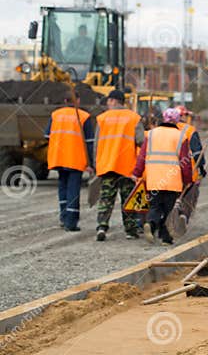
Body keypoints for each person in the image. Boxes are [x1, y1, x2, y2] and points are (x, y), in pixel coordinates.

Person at [132, 108, 193, 245]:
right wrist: (188, 179)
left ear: (164, 119)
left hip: (154, 178)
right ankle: (166, 238)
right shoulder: (181, 137)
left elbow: (142, 156)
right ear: (177, 120)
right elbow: (185, 162)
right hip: (172, 180)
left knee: (155, 206)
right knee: (169, 209)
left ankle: (151, 224)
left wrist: (136, 172)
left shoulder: (151, 134)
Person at [94, 89, 144, 241]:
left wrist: (96, 163)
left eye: (108, 100)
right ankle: (130, 230)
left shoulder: (102, 119)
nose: (107, 103)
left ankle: (102, 227)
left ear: (113, 101)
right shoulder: (134, 118)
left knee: (106, 198)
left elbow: (96, 145)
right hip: (127, 167)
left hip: (107, 165)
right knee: (127, 199)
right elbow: (141, 141)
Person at [45, 90, 94, 232]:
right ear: (77, 101)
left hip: (58, 157)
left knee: (62, 187)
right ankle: (71, 223)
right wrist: (91, 164)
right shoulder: (83, 116)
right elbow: (89, 142)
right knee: (73, 189)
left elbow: (47, 135)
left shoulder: (55, 115)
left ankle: (63, 217)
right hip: (75, 159)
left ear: (65, 101)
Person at [176, 106, 207, 181]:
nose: (188, 118)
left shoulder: (167, 129)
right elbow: (197, 152)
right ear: (182, 116)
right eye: (186, 115)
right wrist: (201, 169)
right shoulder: (190, 130)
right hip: (188, 172)